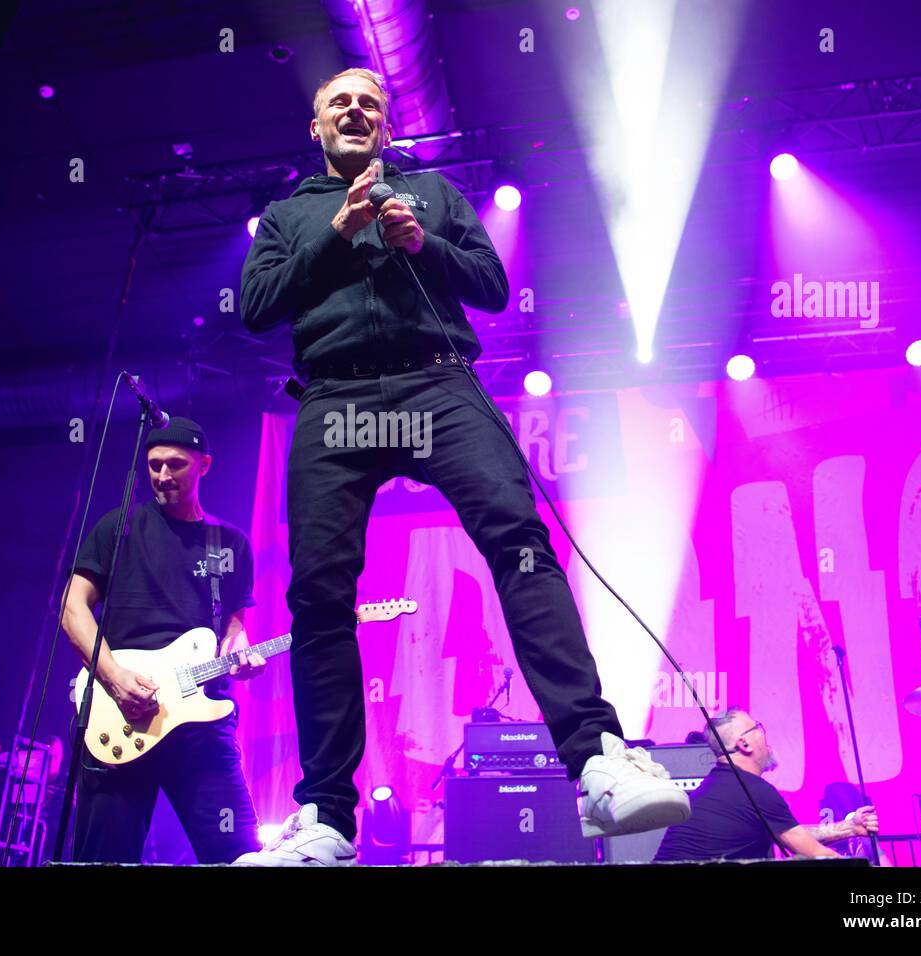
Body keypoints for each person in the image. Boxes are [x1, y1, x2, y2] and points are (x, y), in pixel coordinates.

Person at [235, 67, 689, 866]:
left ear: (384, 124)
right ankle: (326, 817)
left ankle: (597, 761)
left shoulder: (435, 193)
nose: (354, 110)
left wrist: (425, 243)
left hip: (438, 379)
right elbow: (256, 308)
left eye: (369, 103)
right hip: (335, 397)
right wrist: (337, 232)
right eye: (338, 101)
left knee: (519, 539)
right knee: (319, 592)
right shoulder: (286, 215)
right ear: (316, 127)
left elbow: (492, 287)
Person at [60, 417, 266, 863]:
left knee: (238, 854)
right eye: (154, 465)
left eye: (176, 464)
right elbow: (72, 607)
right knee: (103, 857)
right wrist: (114, 678)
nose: (163, 476)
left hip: (201, 716)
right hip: (118, 711)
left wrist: (239, 653)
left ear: (204, 465)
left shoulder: (229, 543)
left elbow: (233, 626)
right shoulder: (119, 526)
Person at [653, 709, 880, 862]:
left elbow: (789, 834)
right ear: (744, 744)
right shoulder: (754, 791)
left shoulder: (724, 786)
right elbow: (818, 856)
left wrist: (849, 827)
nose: (765, 734)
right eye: (758, 728)